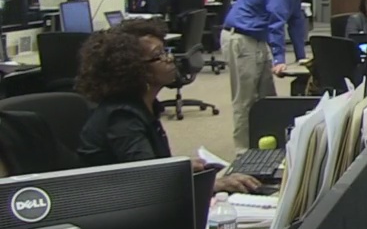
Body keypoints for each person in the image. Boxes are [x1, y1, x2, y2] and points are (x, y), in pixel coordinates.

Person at [77, 19, 259, 193]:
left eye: (166, 51)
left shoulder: (145, 105)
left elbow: (150, 165)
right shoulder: (121, 118)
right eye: (159, 55)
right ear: (134, 68)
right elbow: (150, 182)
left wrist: (179, 167)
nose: (170, 58)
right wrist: (215, 185)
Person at [222, 0, 327, 151]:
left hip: (256, 39)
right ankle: (243, 154)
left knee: (266, 99)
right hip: (241, 39)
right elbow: (276, 23)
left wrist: (300, 57)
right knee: (245, 101)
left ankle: (266, 150)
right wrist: (279, 60)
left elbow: (296, 22)